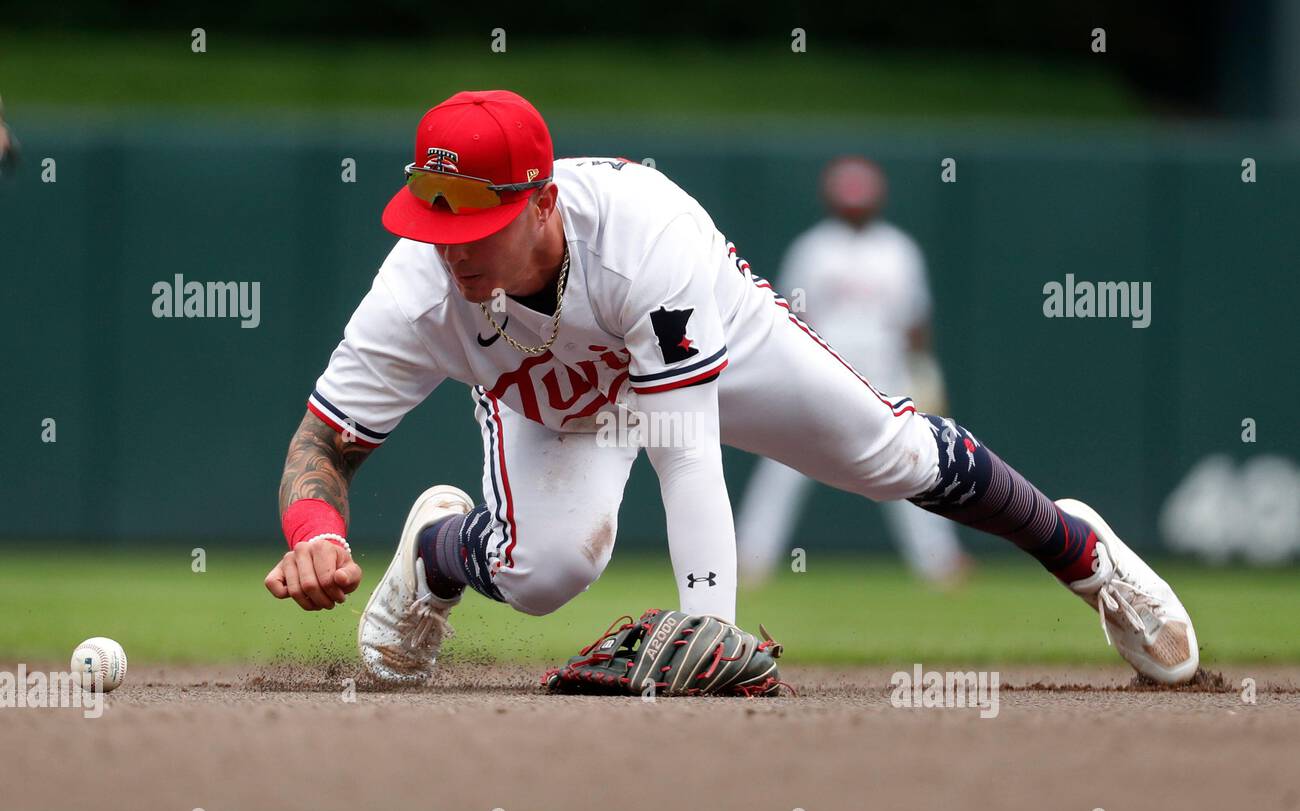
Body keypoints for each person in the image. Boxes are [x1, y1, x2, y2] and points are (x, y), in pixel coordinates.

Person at [264, 90, 1200, 686]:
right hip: (555, 401)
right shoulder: (417, 289)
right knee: (549, 573)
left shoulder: (642, 233)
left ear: (543, 199)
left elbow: (683, 447)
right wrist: (315, 534)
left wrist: (709, 622)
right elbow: (325, 444)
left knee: (897, 455)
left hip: (713, 337)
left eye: (482, 220)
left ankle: (1081, 552)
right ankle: (434, 555)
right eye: (436, 220)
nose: (453, 245)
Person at [735, 156, 969, 587]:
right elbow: (791, 315)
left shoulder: (898, 248)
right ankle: (750, 557)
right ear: (832, 200)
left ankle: (940, 560)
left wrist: (923, 370)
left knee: (911, 462)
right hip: (825, 368)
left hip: (885, 370)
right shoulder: (814, 247)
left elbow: (914, 320)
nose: (855, 206)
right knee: (784, 465)